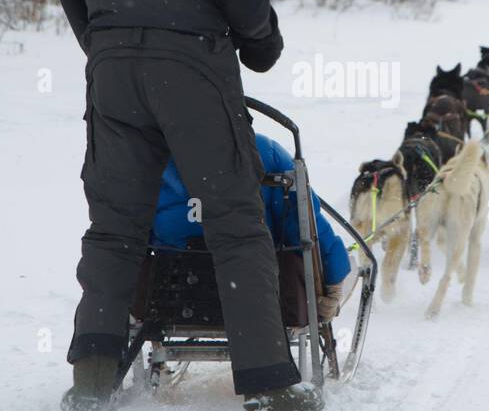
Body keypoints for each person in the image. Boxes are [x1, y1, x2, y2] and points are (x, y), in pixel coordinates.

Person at [50, 0, 320, 411]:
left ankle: (93, 371)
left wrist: (109, 45)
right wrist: (261, 45)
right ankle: (266, 380)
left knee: (114, 222)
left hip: (112, 70)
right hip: (193, 67)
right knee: (234, 215)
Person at [152, 133, 357, 321]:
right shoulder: (266, 152)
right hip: (263, 301)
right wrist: (334, 277)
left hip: (174, 298)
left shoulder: (150, 158)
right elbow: (306, 228)